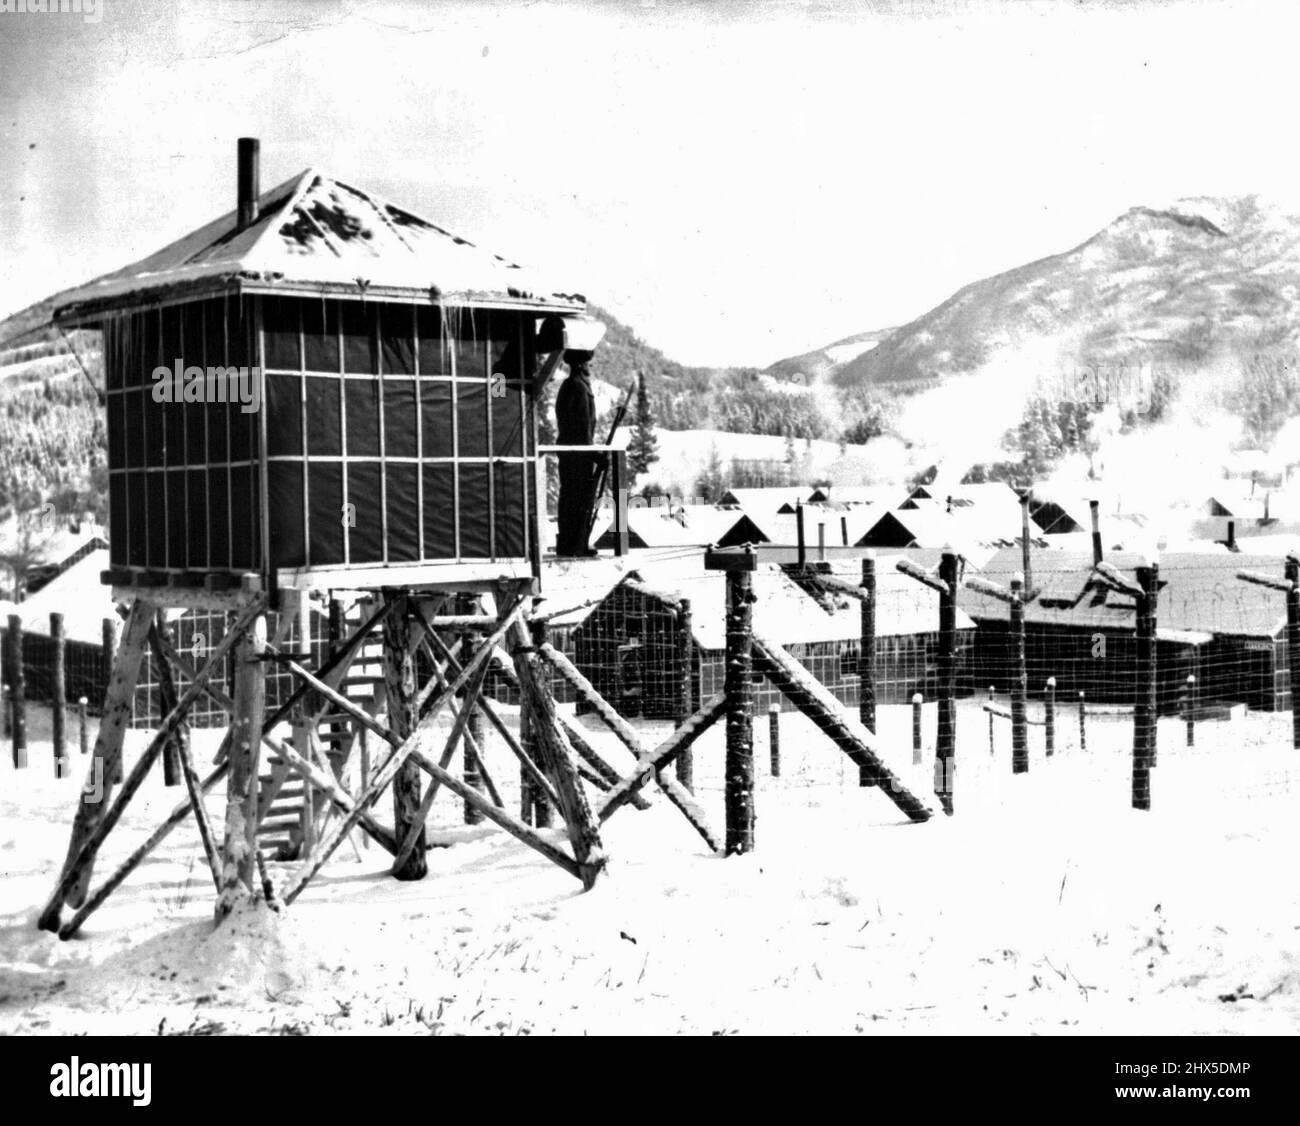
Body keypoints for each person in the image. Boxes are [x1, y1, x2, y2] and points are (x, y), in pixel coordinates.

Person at [555, 354, 602, 556]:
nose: (590, 367)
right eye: (588, 364)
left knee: (571, 498)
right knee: (578, 499)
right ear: (582, 365)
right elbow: (582, 427)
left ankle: (573, 543)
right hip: (578, 456)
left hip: (573, 454)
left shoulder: (571, 385)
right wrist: (594, 455)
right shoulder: (578, 387)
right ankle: (575, 544)